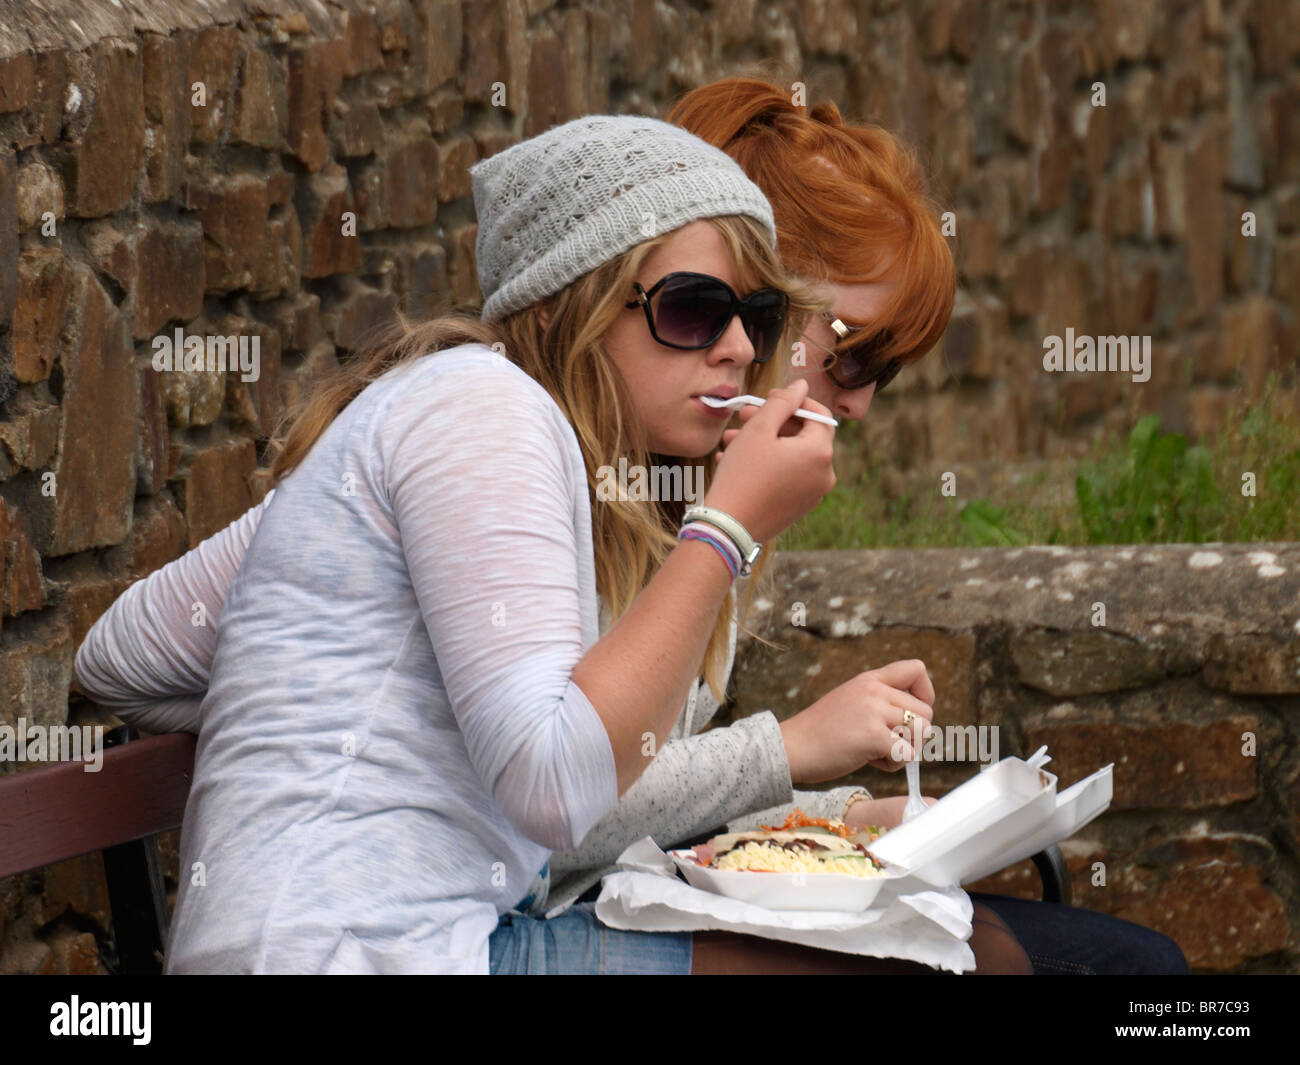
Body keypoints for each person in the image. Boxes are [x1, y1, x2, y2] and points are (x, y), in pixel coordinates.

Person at [75, 113, 1030, 973]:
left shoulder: (494, 431)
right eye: (692, 309)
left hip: (444, 935)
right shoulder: (490, 412)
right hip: (354, 950)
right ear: (556, 305)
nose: (738, 346)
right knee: (939, 957)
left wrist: (350, 625)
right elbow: (556, 787)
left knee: (944, 942)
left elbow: (121, 656)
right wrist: (727, 531)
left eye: (758, 316)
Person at [664, 76, 1189, 975]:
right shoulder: (608, 490)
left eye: (889, 370)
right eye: (853, 352)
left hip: (634, 896)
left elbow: (649, 800)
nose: (862, 400)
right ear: (748, 301)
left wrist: (842, 820)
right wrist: (792, 747)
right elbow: (566, 809)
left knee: (1137, 967)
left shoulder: (700, 489)